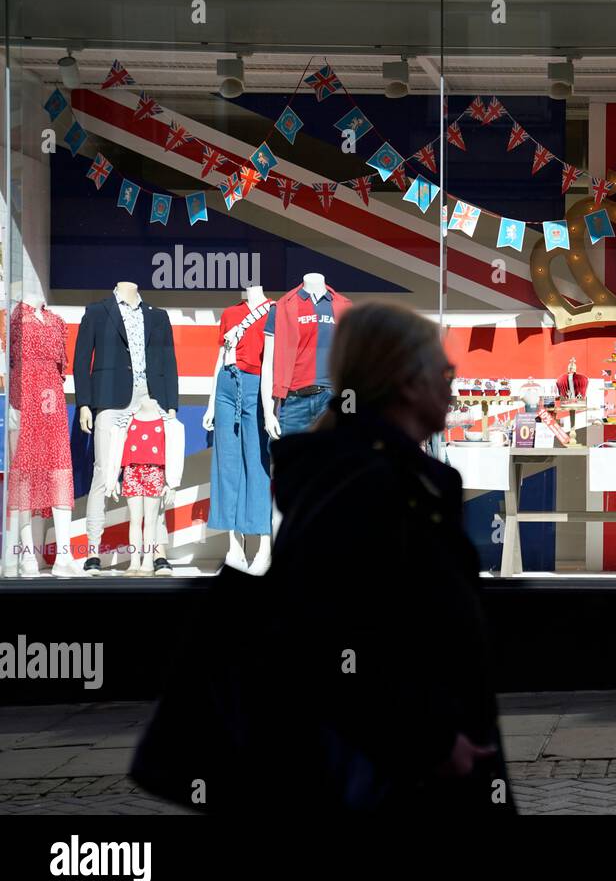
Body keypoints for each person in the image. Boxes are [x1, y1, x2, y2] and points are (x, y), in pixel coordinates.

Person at [132, 300, 513, 813]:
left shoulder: (376, 475)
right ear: (406, 382)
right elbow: (334, 639)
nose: (452, 383)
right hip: (394, 775)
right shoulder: (367, 484)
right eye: (443, 370)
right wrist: (434, 743)